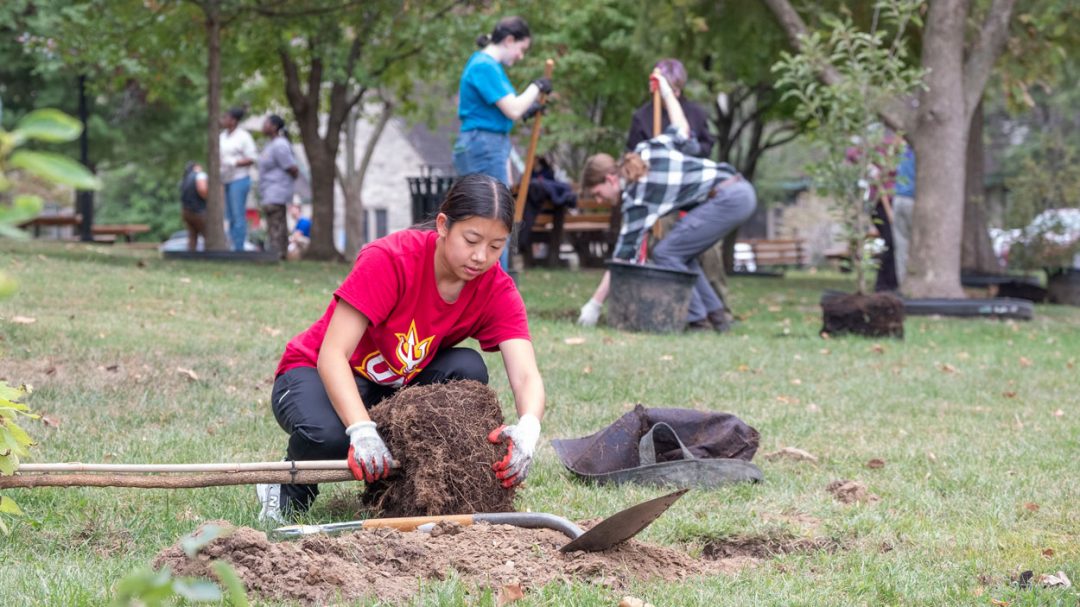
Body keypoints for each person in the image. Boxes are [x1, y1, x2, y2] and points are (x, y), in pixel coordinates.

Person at [257, 173, 546, 522]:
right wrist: (361, 430)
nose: (481, 256)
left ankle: (415, 488)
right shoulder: (390, 259)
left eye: (496, 246)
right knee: (330, 436)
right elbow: (332, 355)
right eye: (471, 240)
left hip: (393, 386)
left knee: (467, 369)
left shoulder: (496, 288)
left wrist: (529, 427)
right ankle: (285, 487)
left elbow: (526, 373)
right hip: (315, 372)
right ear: (443, 225)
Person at [577, 72, 757, 332]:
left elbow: (622, 259)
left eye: (597, 193)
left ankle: (697, 321)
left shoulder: (636, 199)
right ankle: (718, 319)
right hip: (737, 190)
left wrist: (594, 305)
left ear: (610, 179)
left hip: (729, 198)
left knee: (665, 253)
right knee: (682, 254)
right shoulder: (647, 150)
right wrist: (666, 92)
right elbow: (682, 128)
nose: (599, 200)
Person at [454, 15, 552, 270]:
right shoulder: (484, 66)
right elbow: (513, 109)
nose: (520, 56)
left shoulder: (485, 66)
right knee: (496, 218)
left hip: (484, 143)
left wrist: (529, 109)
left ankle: (489, 282)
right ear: (509, 40)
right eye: (521, 49)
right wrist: (537, 86)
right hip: (484, 146)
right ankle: (496, 284)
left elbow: (498, 112)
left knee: (485, 217)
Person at [625, 58, 714, 158]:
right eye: (671, 90)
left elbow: (707, 146)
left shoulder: (696, 113)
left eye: (678, 89)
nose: (677, 94)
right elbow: (632, 153)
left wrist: (697, 149)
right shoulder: (641, 117)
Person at [257, 114, 299, 259]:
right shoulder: (270, 144)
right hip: (268, 192)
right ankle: (276, 254)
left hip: (277, 191)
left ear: (274, 127)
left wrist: (285, 183)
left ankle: (278, 254)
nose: (263, 126)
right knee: (273, 224)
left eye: (266, 123)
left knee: (277, 224)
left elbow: (292, 167)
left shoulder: (280, 144)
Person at [220, 107, 258, 252]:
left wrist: (234, 162)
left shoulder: (243, 137)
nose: (223, 120)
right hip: (226, 179)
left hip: (239, 178)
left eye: (226, 117)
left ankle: (239, 247)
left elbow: (252, 158)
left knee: (238, 214)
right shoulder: (222, 136)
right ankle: (232, 245)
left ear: (233, 120)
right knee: (229, 215)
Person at [891, 144, 915, 288]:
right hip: (912, 199)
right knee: (915, 243)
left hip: (898, 198)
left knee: (901, 245)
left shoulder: (903, 153)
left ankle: (903, 283)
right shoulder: (922, 154)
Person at [179, 161, 209, 252]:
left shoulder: (185, 179)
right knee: (208, 234)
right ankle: (211, 254)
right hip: (198, 211)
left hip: (186, 211)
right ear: (196, 166)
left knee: (192, 235)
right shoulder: (200, 175)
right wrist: (209, 198)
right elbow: (202, 189)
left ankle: (191, 255)